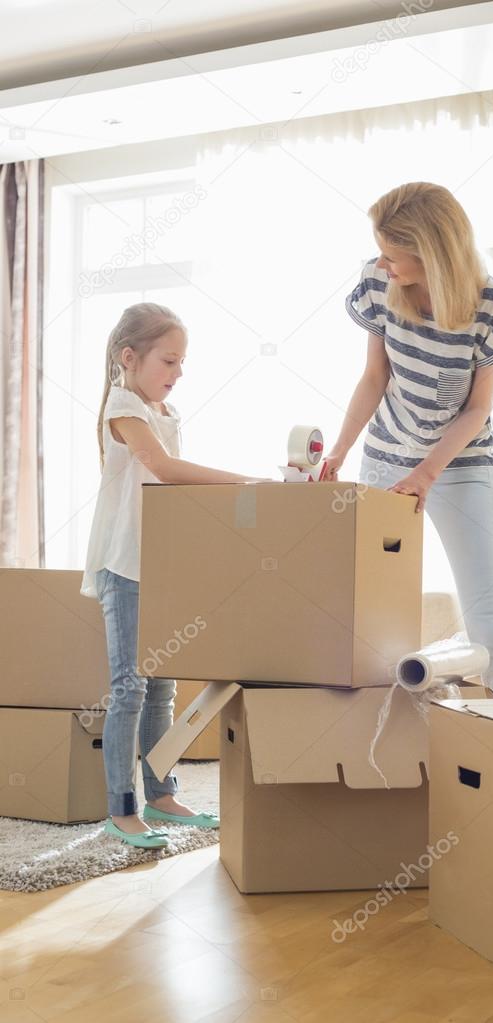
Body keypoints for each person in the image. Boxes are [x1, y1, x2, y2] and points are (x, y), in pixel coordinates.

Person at [326, 182, 493, 699]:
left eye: (393, 254)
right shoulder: (377, 282)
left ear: (431, 253)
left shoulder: (492, 305)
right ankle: (371, 742)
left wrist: (427, 472)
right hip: (387, 457)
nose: (383, 262)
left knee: (490, 623)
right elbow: (374, 376)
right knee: (368, 620)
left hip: (462, 464)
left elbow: (478, 407)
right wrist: (340, 449)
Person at [81, 302, 267, 848]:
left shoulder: (166, 411)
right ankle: (121, 808)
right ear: (129, 357)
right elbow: (161, 468)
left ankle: (161, 795)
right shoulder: (123, 406)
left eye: (182, 362)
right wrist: (247, 483)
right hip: (124, 565)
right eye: (169, 360)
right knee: (130, 688)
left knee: (163, 687)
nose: (178, 372)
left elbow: (172, 492)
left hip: (160, 566)